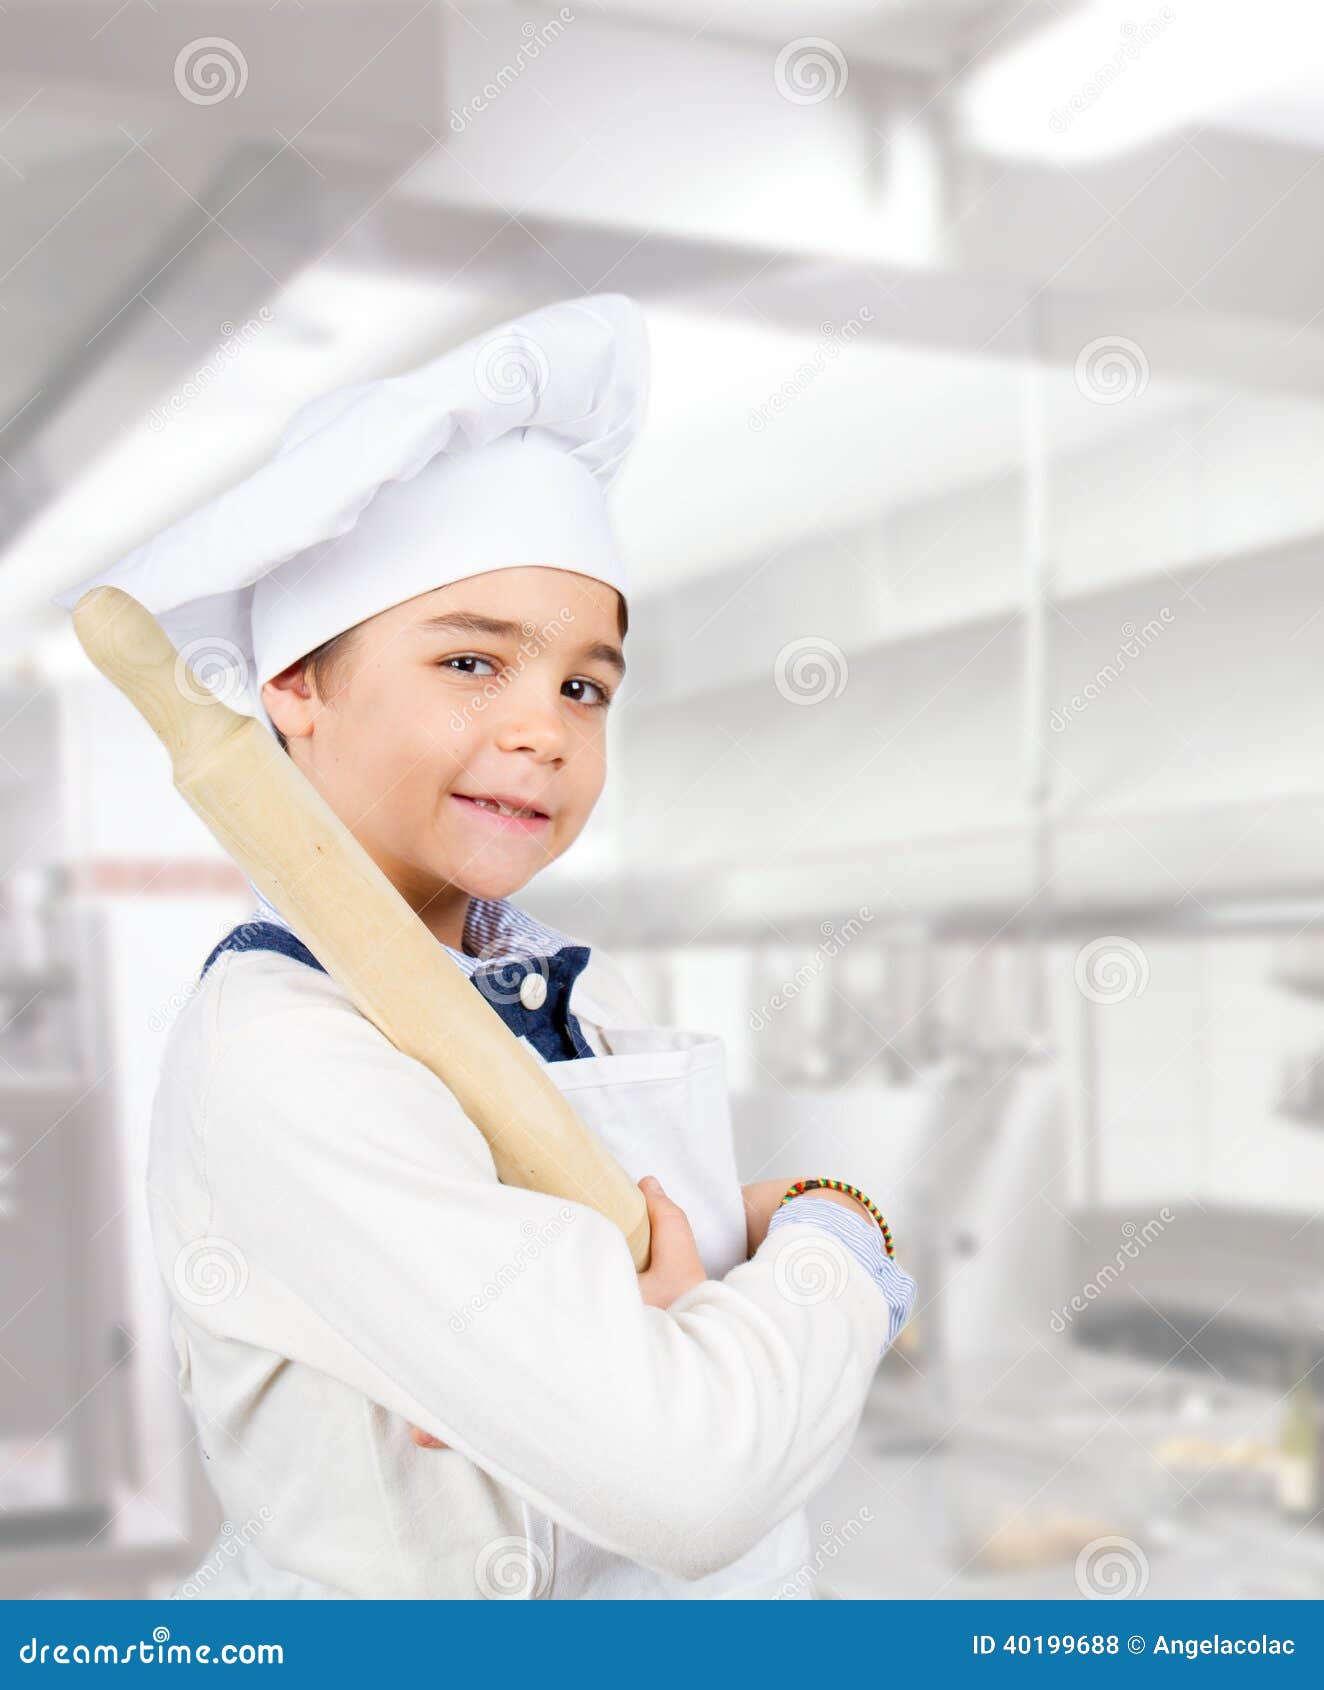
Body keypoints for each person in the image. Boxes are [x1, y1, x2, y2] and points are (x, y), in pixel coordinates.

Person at [53, 293, 916, 1600]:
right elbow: (692, 1478)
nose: (545, 730)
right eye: (472, 662)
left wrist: (705, 1302)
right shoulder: (278, 1056)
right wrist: (837, 1238)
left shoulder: (582, 993)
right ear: (294, 684)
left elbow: (676, 1300)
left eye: (584, 684)